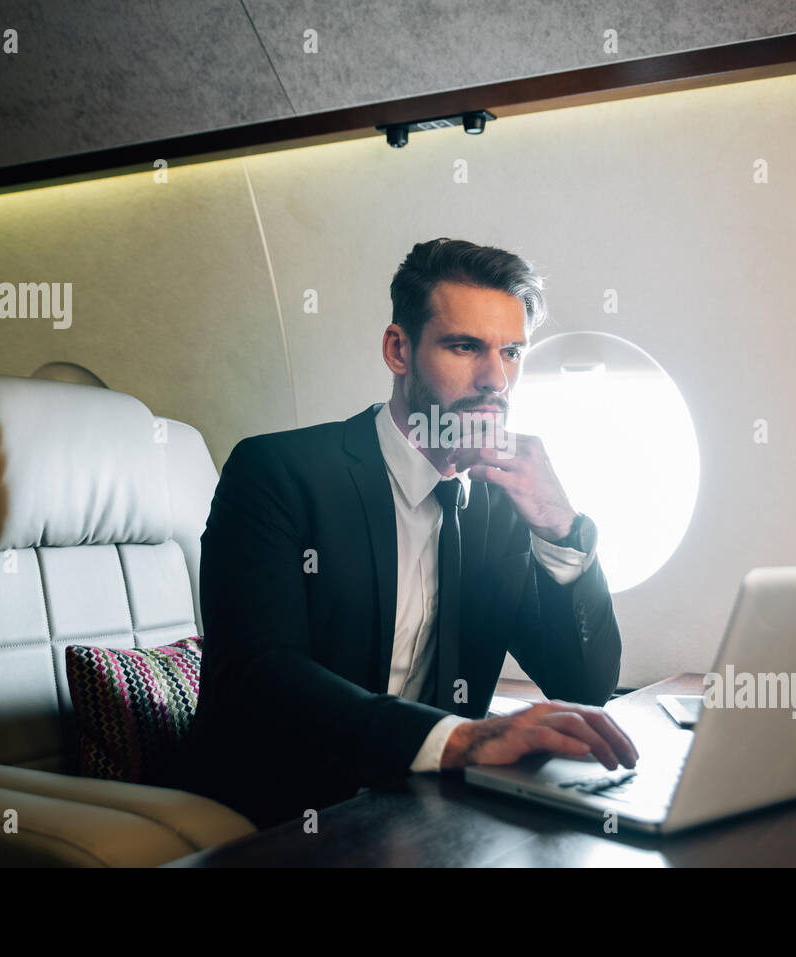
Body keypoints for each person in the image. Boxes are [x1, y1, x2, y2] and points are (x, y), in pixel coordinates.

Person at [174, 238, 636, 830]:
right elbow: (261, 678)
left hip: (423, 807)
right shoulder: (279, 472)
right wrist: (459, 740)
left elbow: (585, 684)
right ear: (399, 349)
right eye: (465, 346)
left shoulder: (500, 507)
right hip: (277, 809)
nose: (496, 379)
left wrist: (560, 528)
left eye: (512, 352)